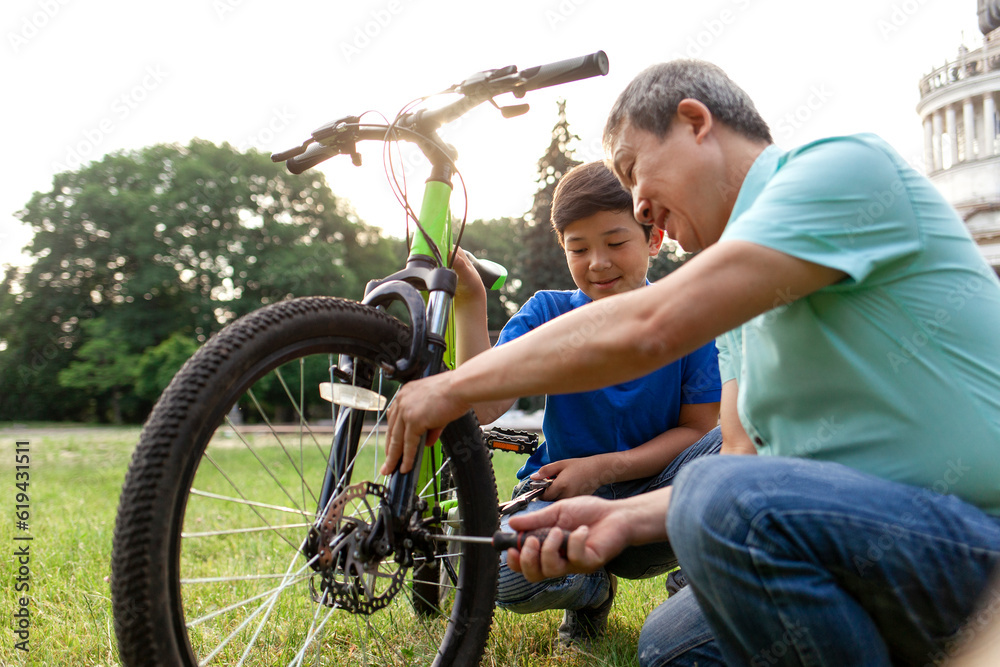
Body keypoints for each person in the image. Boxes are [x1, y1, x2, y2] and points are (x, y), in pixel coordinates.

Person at [382, 59, 1000, 665]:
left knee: (716, 494)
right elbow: (742, 460)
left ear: (694, 122)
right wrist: (616, 518)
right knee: (671, 645)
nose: (640, 208)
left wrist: (453, 387)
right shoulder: (740, 315)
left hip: (972, 541)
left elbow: (653, 329)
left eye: (633, 172)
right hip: (858, 545)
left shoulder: (841, 168)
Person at [450, 160, 723, 646]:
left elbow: (701, 429)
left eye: (616, 243)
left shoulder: (690, 315)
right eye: (579, 248)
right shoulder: (547, 312)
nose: (598, 263)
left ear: (654, 239)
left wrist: (602, 468)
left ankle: (695, 596)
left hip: (661, 510)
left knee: (740, 444)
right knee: (501, 572)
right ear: (564, 248)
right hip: (566, 503)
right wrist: (471, 300)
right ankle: (591, 592)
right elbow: (483, 407)